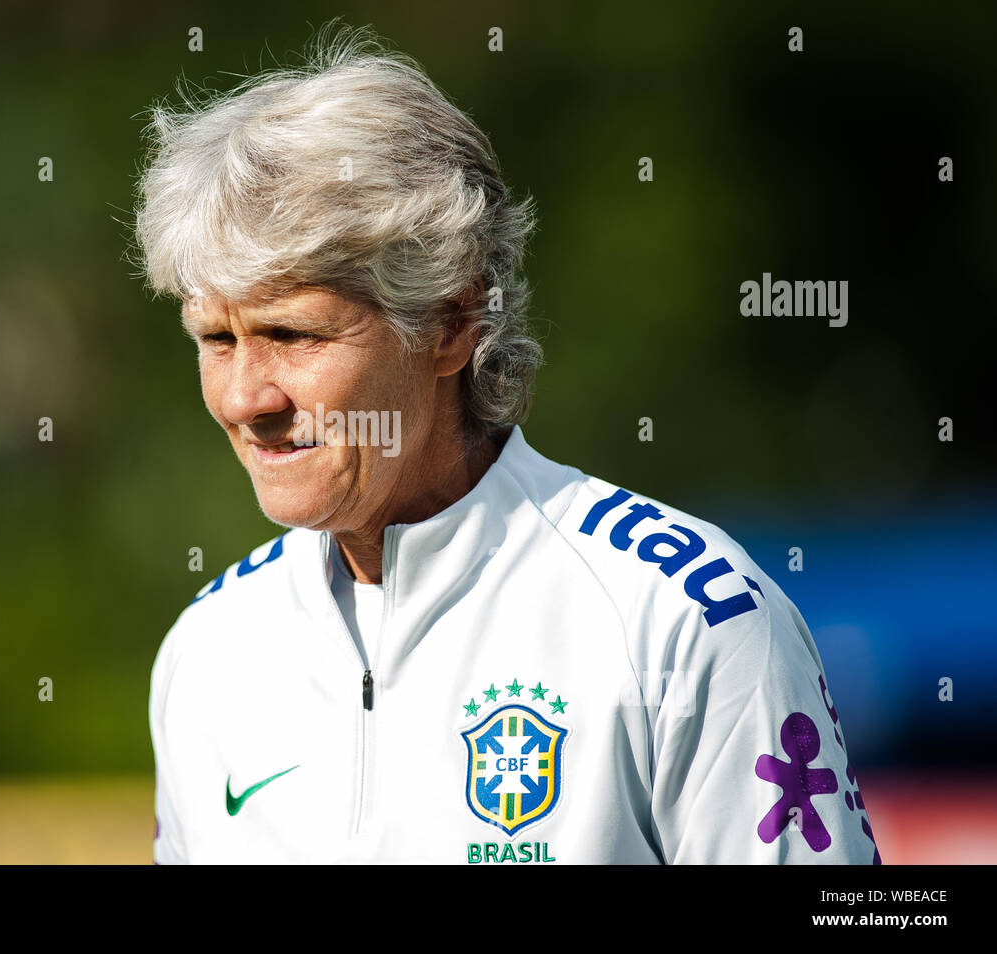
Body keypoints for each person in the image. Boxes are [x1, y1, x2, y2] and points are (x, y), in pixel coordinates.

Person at [133, 24, 880, 864]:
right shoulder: (208, 651)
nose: (245, 398)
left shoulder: (685, 619)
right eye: (218, 340)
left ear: (454, 322)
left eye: (294, 334)